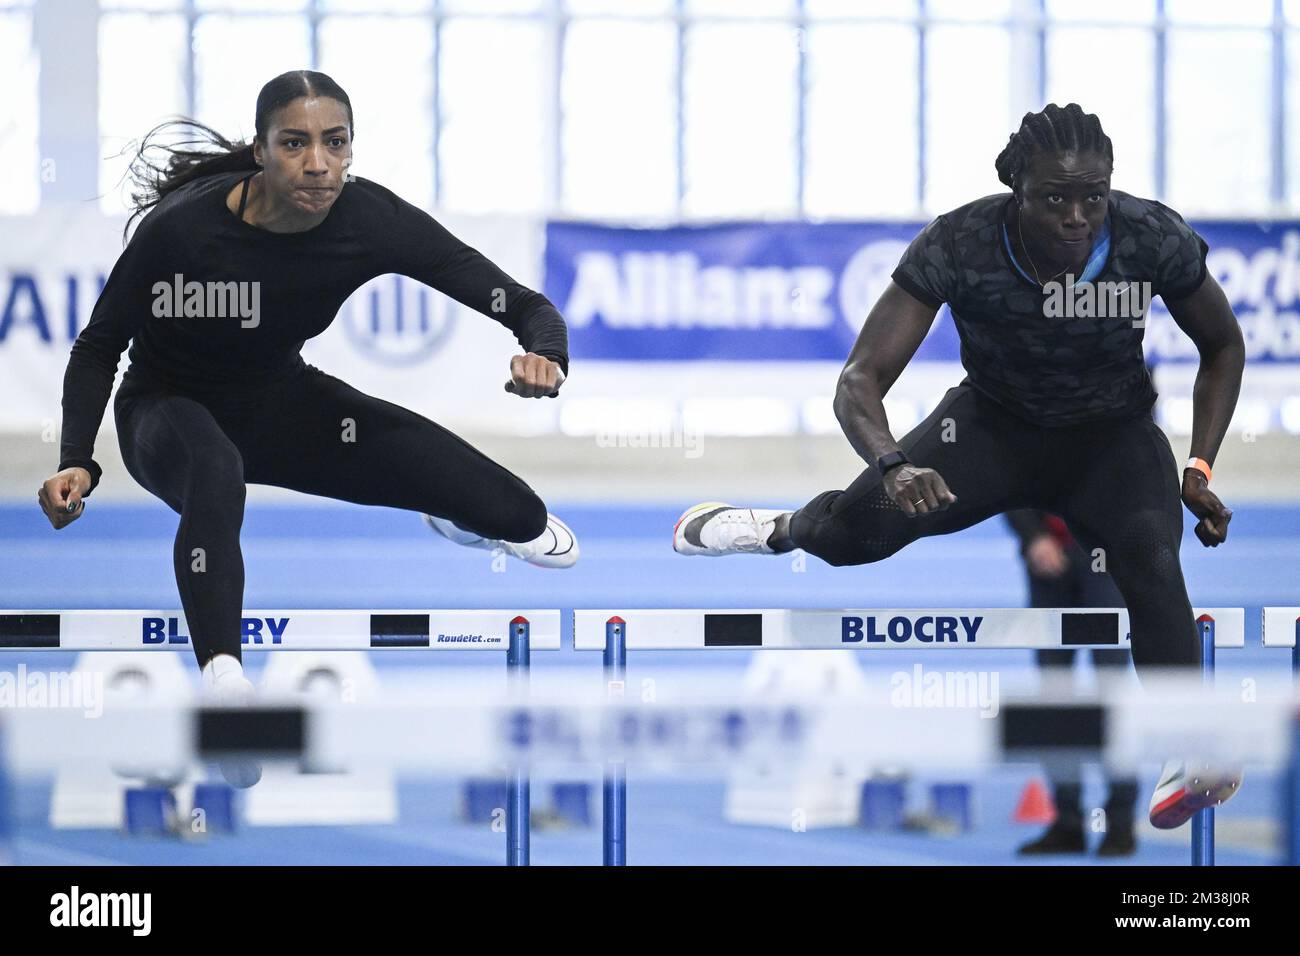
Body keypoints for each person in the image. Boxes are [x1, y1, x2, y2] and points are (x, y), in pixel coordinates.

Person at [673, 103, 1245, 830]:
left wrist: (1198, 466)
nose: (1077, 216)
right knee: (854, 540)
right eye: (1054, 198)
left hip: (1112, 439)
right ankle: (776, 527)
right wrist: (892, 467)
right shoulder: (961, 242)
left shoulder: (1150, 236)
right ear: (1016, 189)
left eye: (1093, 196)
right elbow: (859, 379)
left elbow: (1222, 344)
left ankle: (1193, 746)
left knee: (1151, 559)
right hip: (991, 431)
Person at [37, 70, 576, 785]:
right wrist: (79, 458)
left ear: (351, 150)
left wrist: (546, 353)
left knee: (523, 517)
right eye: (295, 144)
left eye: (335, 143)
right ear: (262, 151)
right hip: (165, 411)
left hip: (279, 403)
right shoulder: (185, 231)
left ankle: (458, 516)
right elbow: (98, 346)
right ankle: (224, 686)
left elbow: (522, 301)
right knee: (217, 470)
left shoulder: (370, 220)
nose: (317, 163)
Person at [1005, 509, 1137, 856]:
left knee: (1111, 692)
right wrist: (1033, 536)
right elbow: (1009, 475)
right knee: (1053, 695)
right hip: (1047, 560)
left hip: (1104, 557)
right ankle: (1067, 821)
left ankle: (1121, 822)